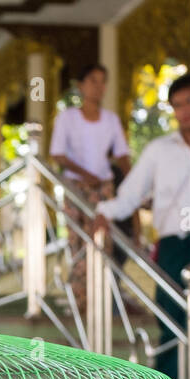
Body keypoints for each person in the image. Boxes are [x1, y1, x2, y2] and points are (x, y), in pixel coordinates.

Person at [94, 71, 190, 379]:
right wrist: (103, 212)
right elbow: (130, 195)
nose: (185, 110)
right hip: (171, 248)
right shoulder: (158, 151)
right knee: (169, 322)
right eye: (177, 105)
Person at [50, 63, 131, 317]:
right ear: (81, 86)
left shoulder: (111, 120)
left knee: (102, 245)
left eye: (102, 81)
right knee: (78, 244)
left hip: (103, 191)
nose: (99, 86)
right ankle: (81, 308)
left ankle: (102, 307)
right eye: (93, 80)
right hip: (76, 188)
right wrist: (86, 176)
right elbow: (58, 154)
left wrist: (135, 187)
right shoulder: (67, 117)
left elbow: (122, 156)